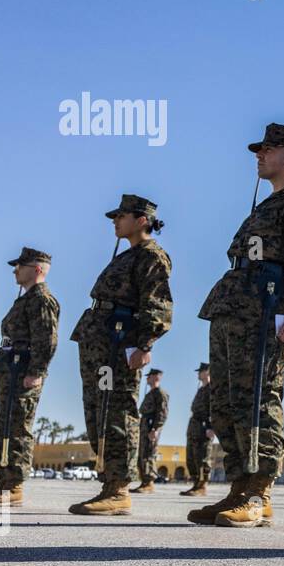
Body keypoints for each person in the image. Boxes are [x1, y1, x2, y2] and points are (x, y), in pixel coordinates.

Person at [189, 123, 284, 528]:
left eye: (267, 150)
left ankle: (258, 492)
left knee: (259, 399)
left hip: (266, 306)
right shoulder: (267, 204)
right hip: (235, 303)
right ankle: (238, 486)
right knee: (228, 400)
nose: (258, 155)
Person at [68, 195, 173, 516]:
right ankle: (107, 482)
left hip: (120, 343)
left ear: (142, 220)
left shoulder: (152, 256)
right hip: (99, 341)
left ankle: (119, 488)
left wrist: (144, 345)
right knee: (98, 411)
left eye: (121, 216)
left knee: (118, 412)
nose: (115, 221)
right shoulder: (127, 255)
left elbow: (158, 304)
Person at [0, 248, 60, 507]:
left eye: (20, 266)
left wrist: (36, 372)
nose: (15, 270)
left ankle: (14, 487)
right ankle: (4, 482)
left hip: (23, 370)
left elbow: (47, 339)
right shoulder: (26, 298)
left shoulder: (42, 299)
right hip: (8, 368)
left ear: (37, 269)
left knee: (17, 428)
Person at [133, 368, 169, 494]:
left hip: (151, 427)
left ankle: (149, 483)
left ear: (156, 377)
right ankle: (144, 481)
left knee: (149, 454)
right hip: (144, 427)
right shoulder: (150, 393)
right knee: (142, 455)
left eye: (150, 376)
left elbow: (162, 413)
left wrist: (155, 429)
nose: (147, 378)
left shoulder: (160, 393)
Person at [180, 363, 214, 497]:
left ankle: (202, 486)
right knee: (192, 457)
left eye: (200, 371)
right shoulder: (201, 390)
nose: (198, 374)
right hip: (194, 426)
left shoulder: (212, 389)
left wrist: (211, 427)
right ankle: (195, 484)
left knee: (202, 457)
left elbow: (214, 409)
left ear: (207, 372)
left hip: (204, 426)